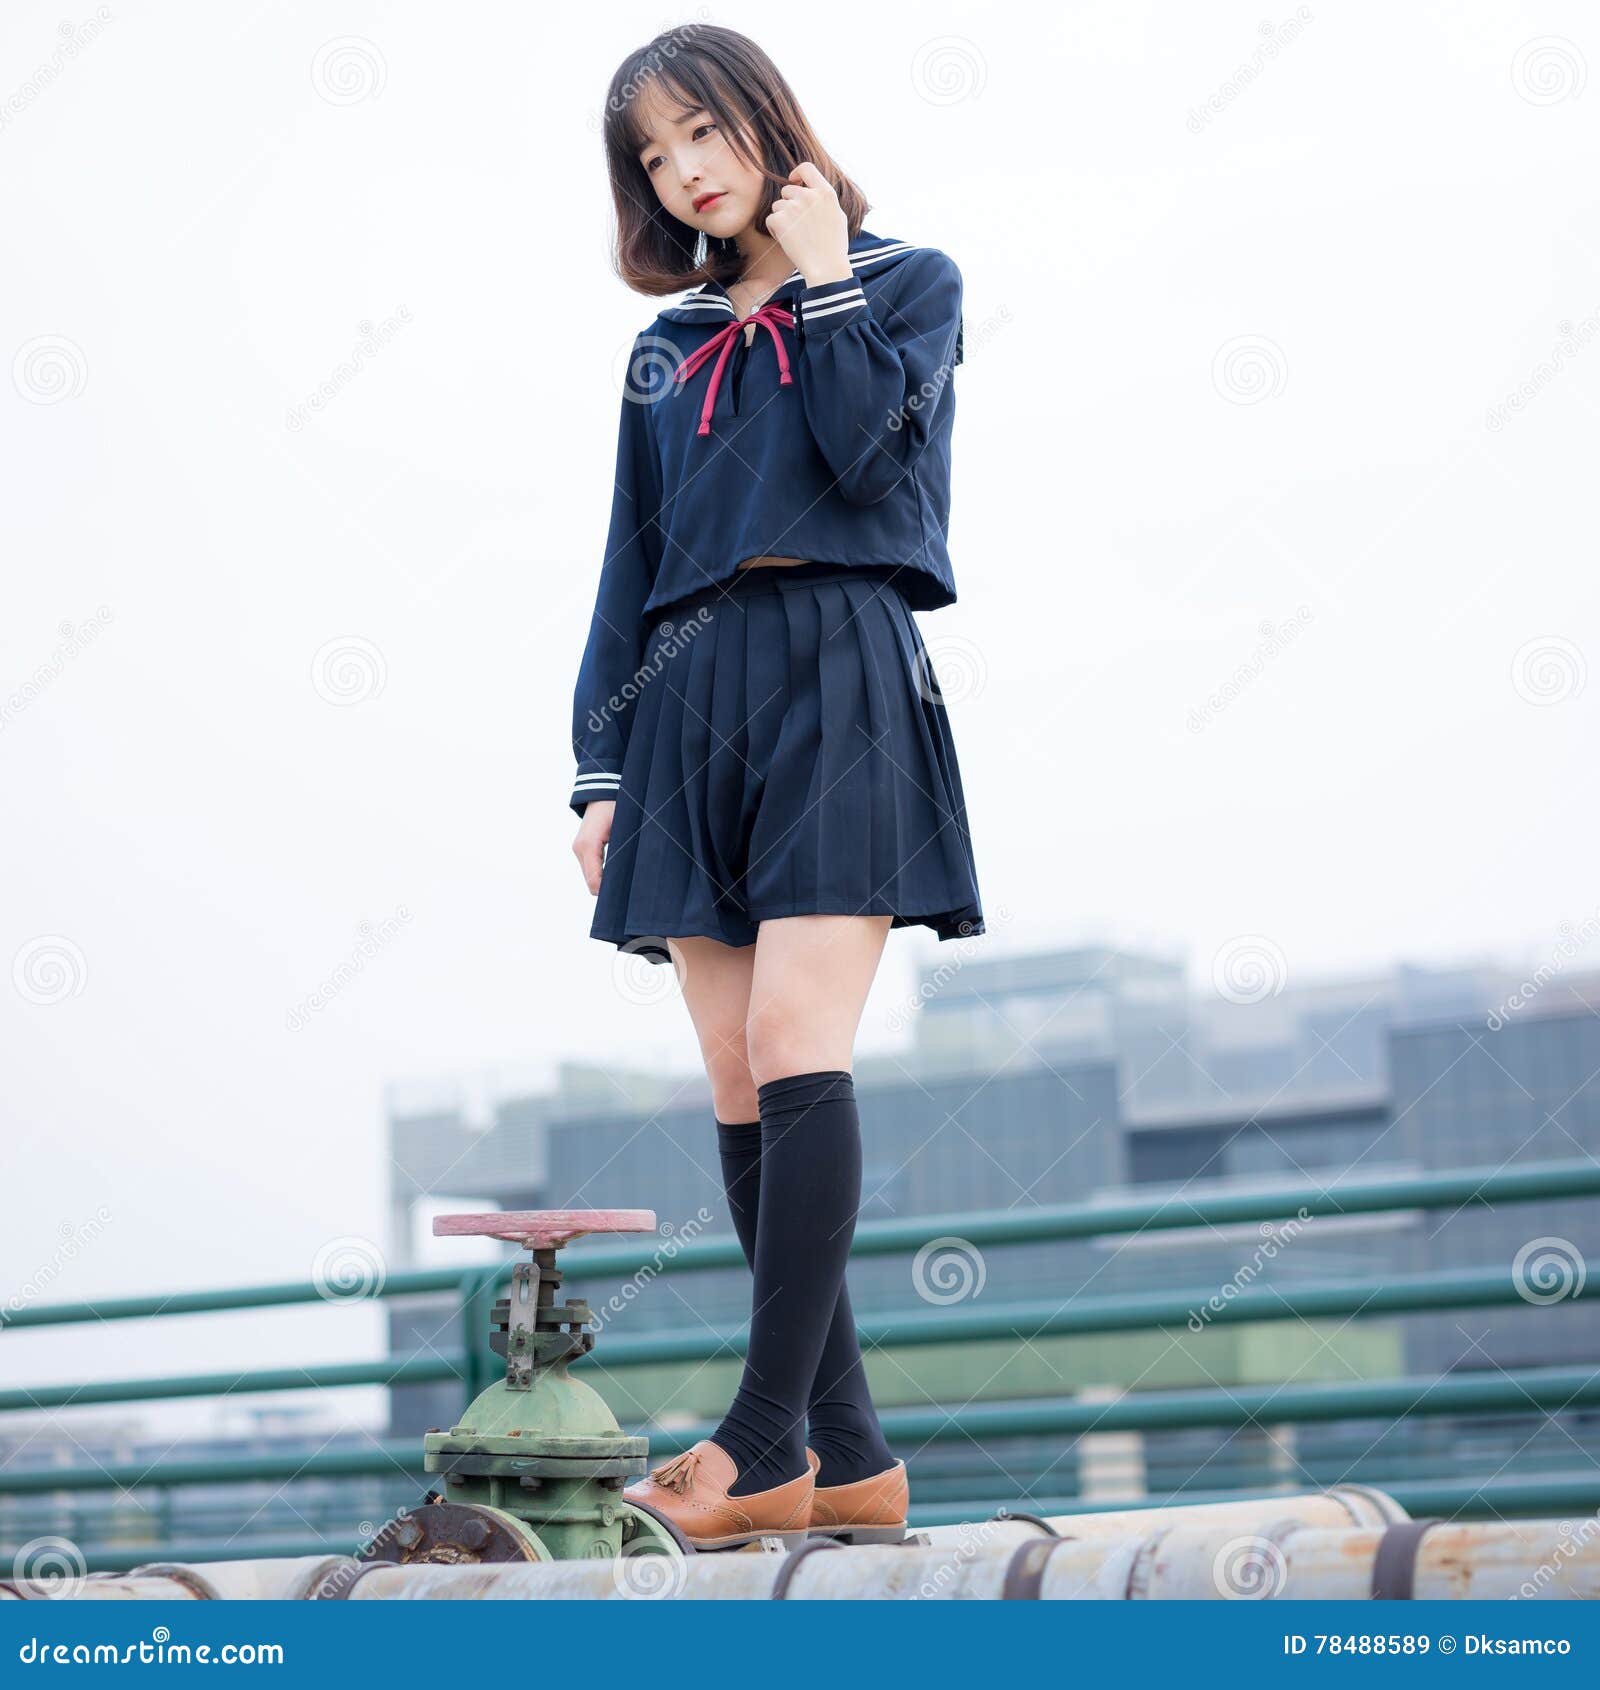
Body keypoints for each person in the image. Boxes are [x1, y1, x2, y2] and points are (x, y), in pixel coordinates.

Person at [569, 24, 985, 1550]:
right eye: (652, 155)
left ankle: (761, 1435)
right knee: (741, 1068)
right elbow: (629, 554)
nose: (684, 170)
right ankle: (854, 1451)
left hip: (842, 663)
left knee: (801, 1032)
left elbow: (877, 469)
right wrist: (599, 770)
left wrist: (823, 281)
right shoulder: (664, 347)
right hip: (683, 695)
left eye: (698, 132)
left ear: (762, 119)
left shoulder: (910, 282)